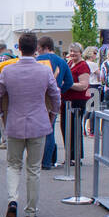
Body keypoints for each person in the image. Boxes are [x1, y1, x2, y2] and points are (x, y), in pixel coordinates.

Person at [0, 32, 60, 217]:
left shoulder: (8, 71)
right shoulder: (45, 71)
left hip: (14, 122)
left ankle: (12, 200)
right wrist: (52, 114)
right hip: (39, 123)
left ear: (19, 48)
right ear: (36, 48)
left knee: (13, 165)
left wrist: (2, 115)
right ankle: (31, 212)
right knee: (34, 169)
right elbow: (55, 96)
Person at [35, 36, 72, 168]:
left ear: (44, 47)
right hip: (54, 98)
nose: (37, 51)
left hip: (38, 98)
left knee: (37, 129)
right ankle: (48, 161)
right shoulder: (62, 61)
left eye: (38, 48)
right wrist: (60, 90)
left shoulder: (37, 61)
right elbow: (69, 81)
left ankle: (38, 159)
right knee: (50, 128)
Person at [61, 43, 91, 164]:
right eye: (71, 51)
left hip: (77, 102)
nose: (73, 53)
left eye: (75, 51)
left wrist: (68, 84)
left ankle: (76, 157)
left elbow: (84, 85)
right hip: (66, 101)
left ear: (81, 52)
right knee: (65, 128)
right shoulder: (69, 63)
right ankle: (69, 155)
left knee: (74, 129)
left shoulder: (83, 66)